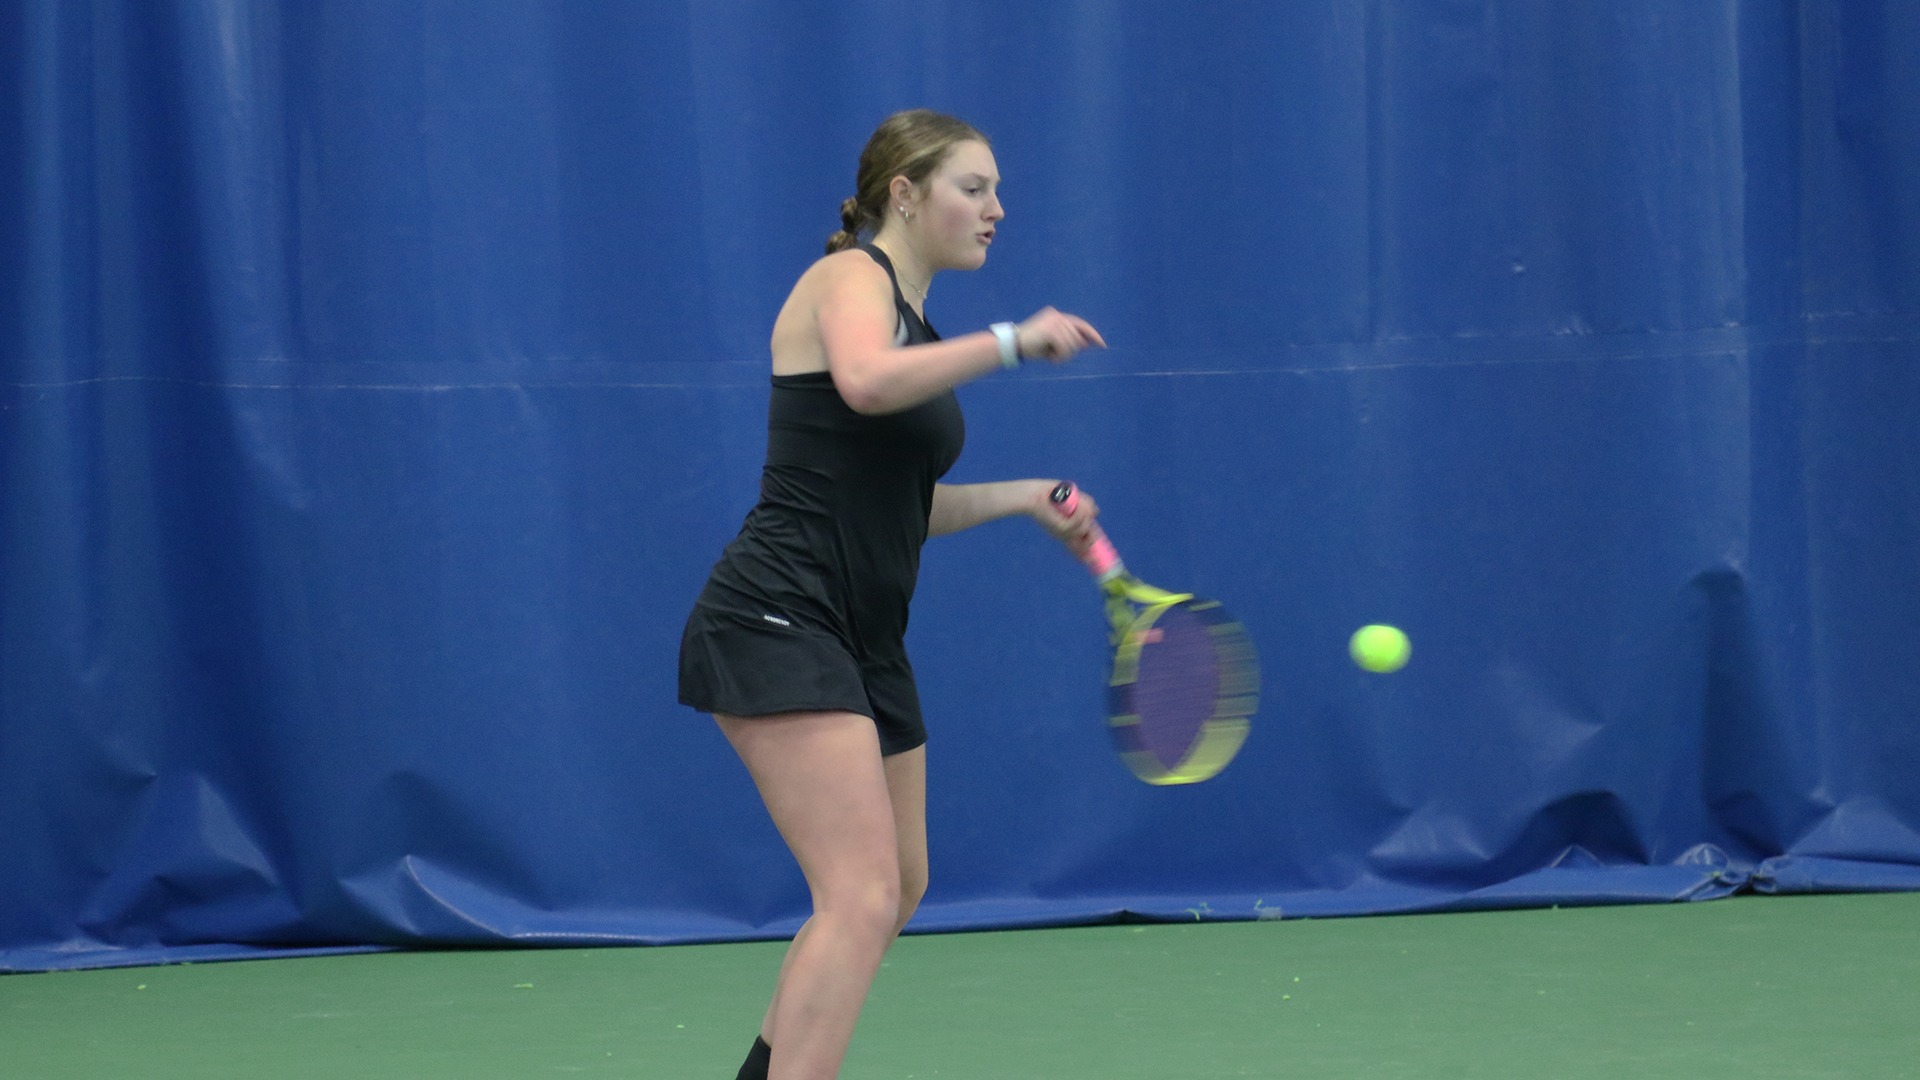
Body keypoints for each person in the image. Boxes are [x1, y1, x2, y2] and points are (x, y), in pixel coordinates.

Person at [677, 108, 1107, 1080]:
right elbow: (866, 384)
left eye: (998, 190)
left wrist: (1024, 499)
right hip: (778, 611)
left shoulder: (919, 326)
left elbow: (900, 511)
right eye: (974, 187)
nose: (998, 209)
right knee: (861, 893)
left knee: (896, 884)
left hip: (866, 633)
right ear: (904, 195)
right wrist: (1014, 340)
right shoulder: (847, 282)